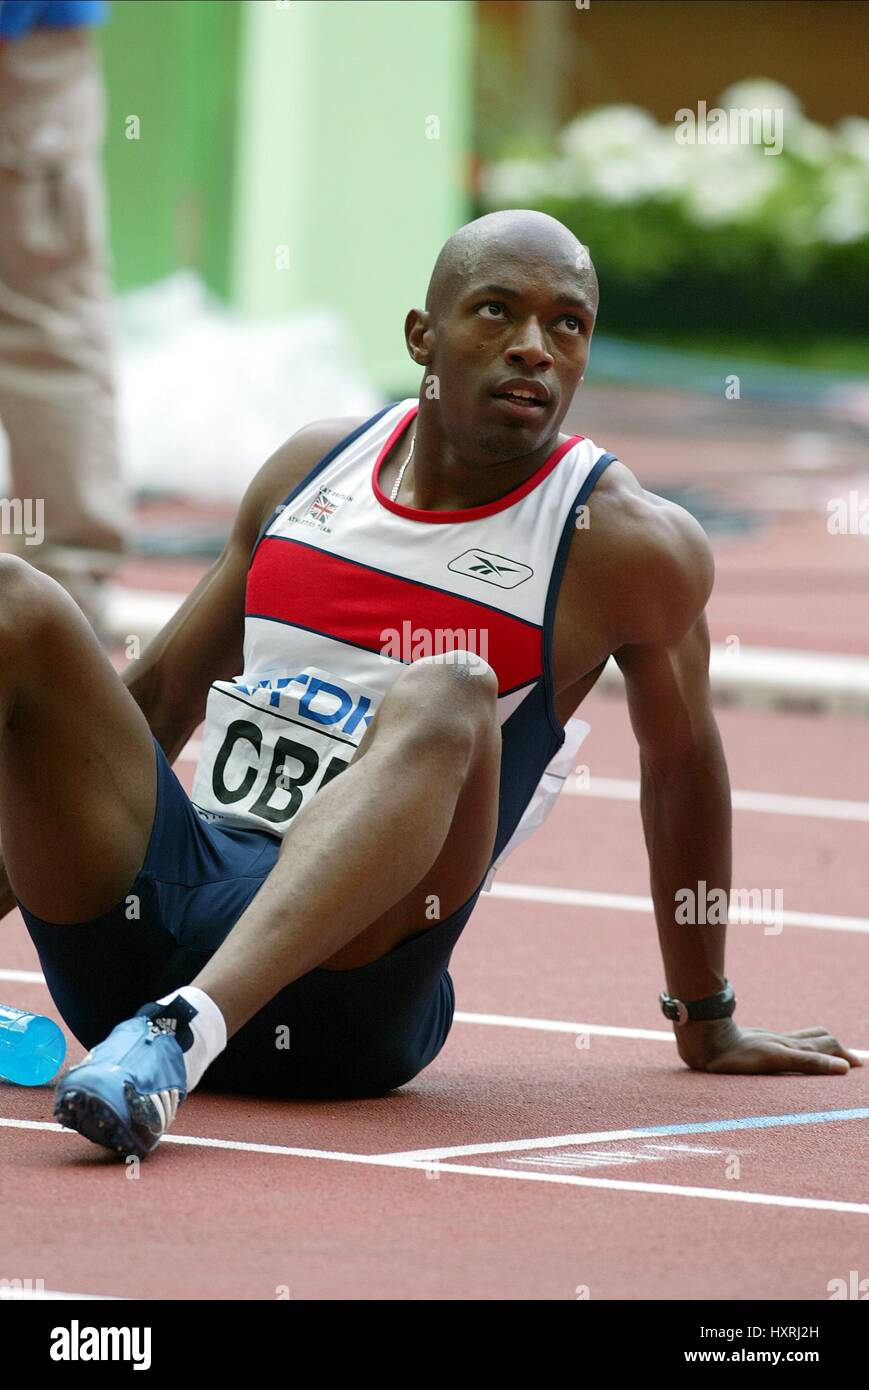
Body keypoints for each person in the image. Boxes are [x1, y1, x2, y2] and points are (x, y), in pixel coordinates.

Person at [0, 210, 858, 1160]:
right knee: (16, 600)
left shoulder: (624, 542)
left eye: (566, 324)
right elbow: (159, 700)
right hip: (141, 943)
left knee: (450, 684)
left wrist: (706, 1016)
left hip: (343, 1000)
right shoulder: (310, 469)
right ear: (422, 336)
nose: (532, 347)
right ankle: (163, 1028)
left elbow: (683, 762)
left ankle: (183, 1033)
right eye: (496, 311)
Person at [0, 0, 127, 636]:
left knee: (40, 327)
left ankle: (57, 613)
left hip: (19, 48)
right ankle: (59, 603)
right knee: (41, 328)